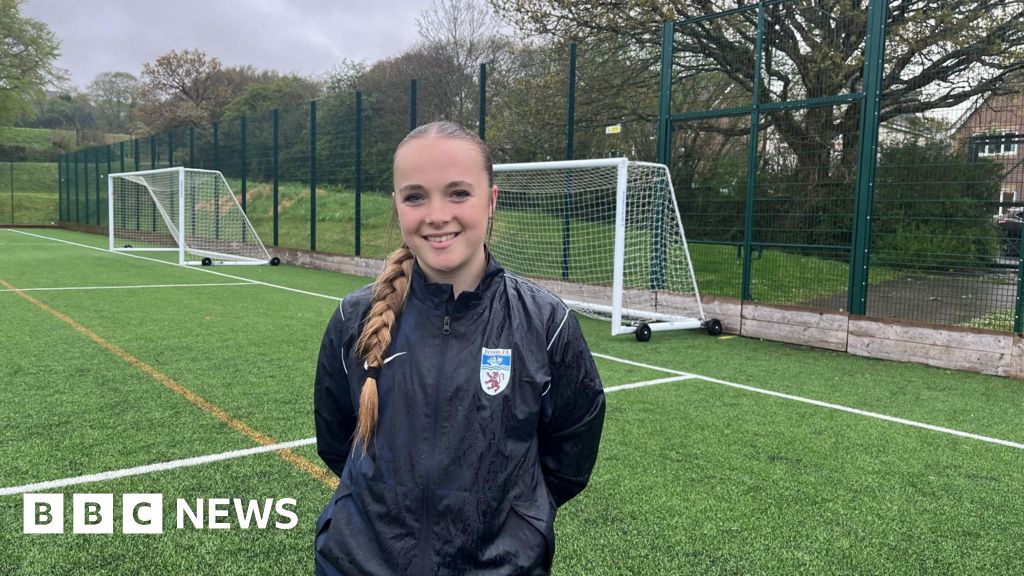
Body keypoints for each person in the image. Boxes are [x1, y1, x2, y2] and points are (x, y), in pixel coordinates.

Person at [313, 121, 606, 575]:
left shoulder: (545, 323)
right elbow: (335, 439)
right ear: (397, 205)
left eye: (458, 193)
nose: (436, 215)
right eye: (415, 196)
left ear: (491, 201)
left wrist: (520, 522)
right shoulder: (353, 319)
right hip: (359, 563)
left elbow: (570, 454)